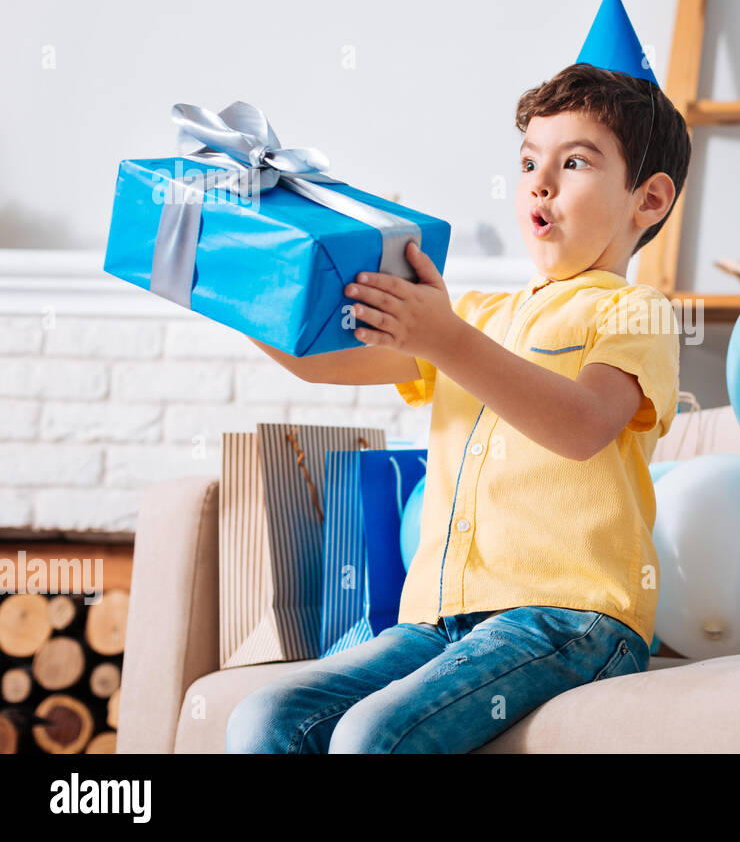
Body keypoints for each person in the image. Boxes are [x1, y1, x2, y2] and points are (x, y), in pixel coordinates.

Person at [227, 51, 692, 753]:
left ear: (649, 201)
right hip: (438, 620)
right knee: (265, 718)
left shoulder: (637, 313)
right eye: (530, 161)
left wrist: (444, 338)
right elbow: (322, 363)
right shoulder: (473, 313)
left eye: (575, 164)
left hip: (571, 618)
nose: (540, 183)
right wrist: (220, 277)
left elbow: (582, 426)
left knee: (371, 736)